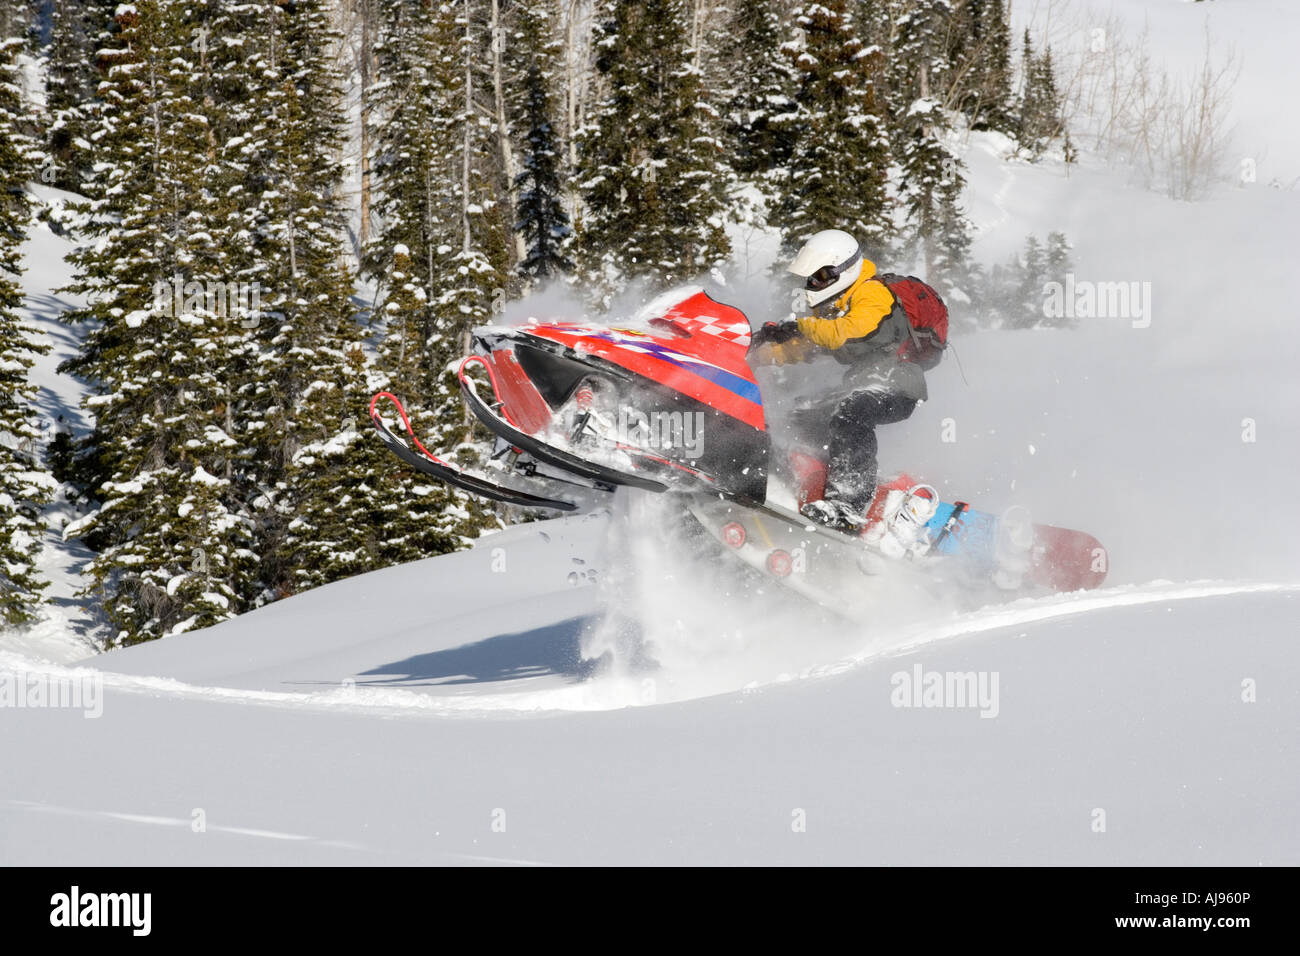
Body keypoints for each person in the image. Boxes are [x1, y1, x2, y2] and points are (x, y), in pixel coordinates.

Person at [749, 228, 932, 533]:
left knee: (850, 414)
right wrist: (755, 354)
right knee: (801, 414)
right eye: (810, 280)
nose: (813, 286)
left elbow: (844, 332)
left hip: (896, 386)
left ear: (841, 270)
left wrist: (797, 325)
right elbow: (807, 346)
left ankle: (846, 505)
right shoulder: (841, 306)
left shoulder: (873, 294)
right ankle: (806, 481)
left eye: (819, 278)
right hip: (863, 385)